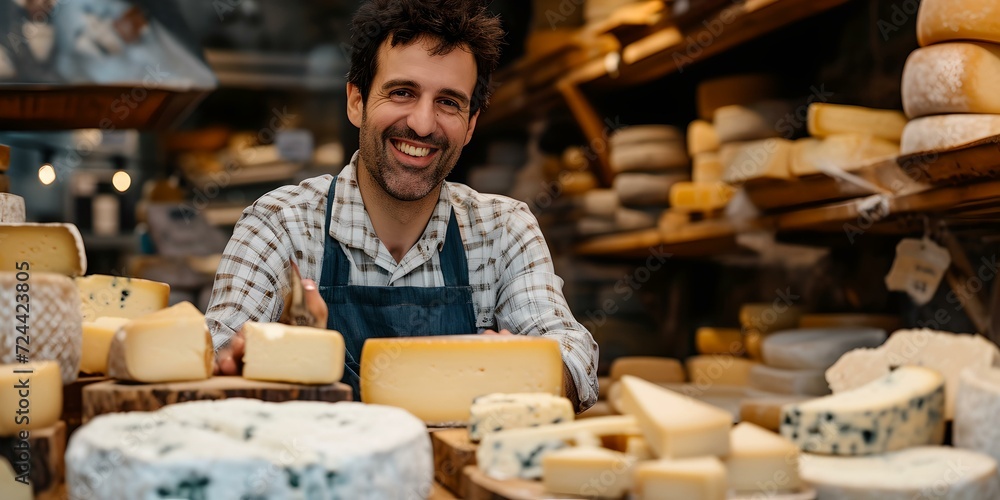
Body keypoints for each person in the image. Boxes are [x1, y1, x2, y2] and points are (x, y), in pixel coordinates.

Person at [206, 0, 599, 412]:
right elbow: (213, 354)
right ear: (356, 102)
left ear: (471, 125)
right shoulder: (280, 224)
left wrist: (526, 368)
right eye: (402, 92)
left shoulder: (503, 229)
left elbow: (576, 357)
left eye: (448, 102)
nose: (423, 124)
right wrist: (263, 361)